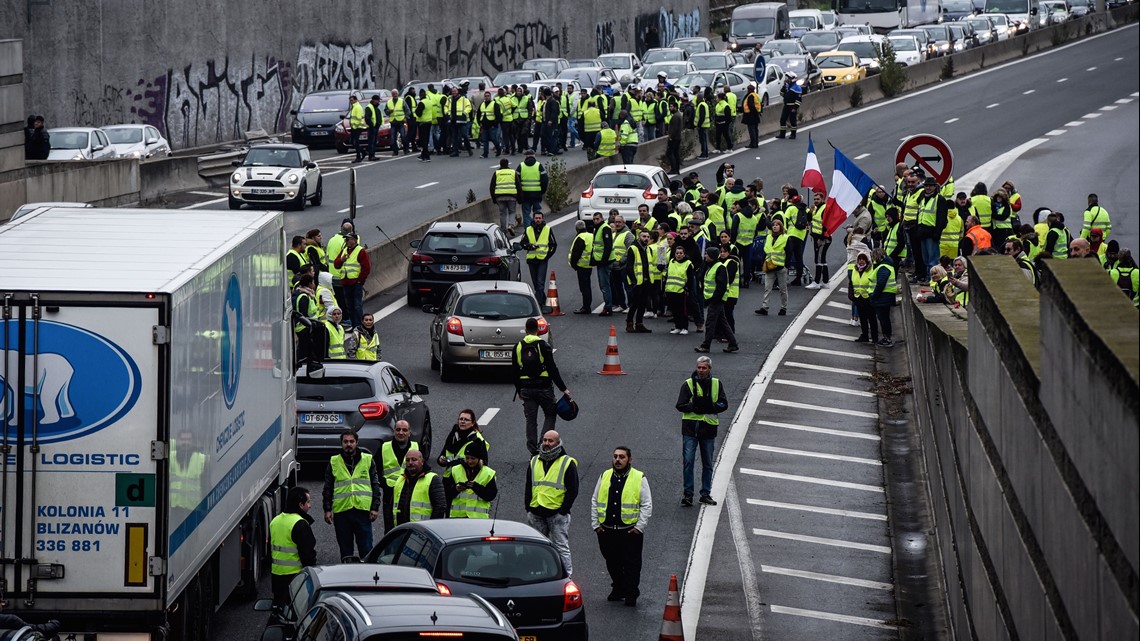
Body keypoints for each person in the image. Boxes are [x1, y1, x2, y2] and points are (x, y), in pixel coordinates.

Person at [591, 446, 653, 607]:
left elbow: (647, 504)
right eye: (615, 456)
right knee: (612, 563)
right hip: (607, 530)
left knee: (632, 564)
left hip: (629, 532)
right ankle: (618, 588)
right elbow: (595, 499)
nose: (618, 460)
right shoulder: (604, 475)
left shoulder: (639, 477)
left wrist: (639, 527)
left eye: (622, 457)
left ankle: (631, 593)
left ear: (629, 459)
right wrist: (596, 524)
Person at [525, 430, 579, 574]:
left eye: (550, 441)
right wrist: (528, 508)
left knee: (561, 548)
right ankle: (537, 576)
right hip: (536, 512)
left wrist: (563, 510)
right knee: (536, 548)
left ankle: (566, 578)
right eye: (545, 440)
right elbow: (529, 485)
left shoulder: (567, 462)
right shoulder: (534, 460)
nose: (547, 443)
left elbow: (573, 489)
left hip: (556, 514)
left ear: (558, 442)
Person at [676, 356, 728, 506]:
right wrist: (695, 407)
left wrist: (710, 407)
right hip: (690, 429)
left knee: (708, 463)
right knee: (688, 462)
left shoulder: (717, 383)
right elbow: (680, 405)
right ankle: (688, 494)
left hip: (708, 429)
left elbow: (724, 404)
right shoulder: (688, 384)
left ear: (709, 369)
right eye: (699, 367)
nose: (701, 370)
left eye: (704, 368)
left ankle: (705, 494)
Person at [322, 430, 382, 561]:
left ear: (356, 442)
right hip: (342, 512)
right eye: (345, 442)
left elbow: (375, 485)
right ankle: (348, 572)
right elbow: (328, 488)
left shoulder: (368, 460)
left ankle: (367, 573)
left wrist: (375, 507)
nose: (348, 444)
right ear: (341, 443)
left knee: (366, 550)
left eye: (351, 441)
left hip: (362, 511)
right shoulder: (334, 461)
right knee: (346, 551)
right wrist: (327, 509)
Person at [514, 318, 570, 456]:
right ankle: (543, 445)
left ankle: (532, 449)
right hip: (544, 387)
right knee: (550, 414)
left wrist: (519, 390)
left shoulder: (518, 346)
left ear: (525, 330)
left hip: (526, 388)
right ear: (537, 330)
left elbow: (514, 371)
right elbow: (552, 368)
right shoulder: (543, 345)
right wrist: (563, 388)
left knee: (531, 419)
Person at [270, 487, 317, 610]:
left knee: (279, 609)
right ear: (300, 505)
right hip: (296, 577)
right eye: (308, 502)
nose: (310, 506)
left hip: (277, 576)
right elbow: (308, 554)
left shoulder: (275, 521)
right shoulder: (300, 524)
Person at [380, 420, 422, 533]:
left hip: (409, 493)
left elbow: (423, 469)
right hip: (390, 494)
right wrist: (384, 484)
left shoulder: (416, 447)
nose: (401, 433)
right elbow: (377, 470)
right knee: (390, 530)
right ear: (393, 431)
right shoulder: (384, 447)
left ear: (409, 433)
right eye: (398, 430)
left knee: (408, 528)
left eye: (404, 430)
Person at [694, 247, 739, 353]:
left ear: (712, 256)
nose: (705, 256)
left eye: (707, 254)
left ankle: (706, 346)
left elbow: (721, 287)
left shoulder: (719, 267)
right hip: (713, 299)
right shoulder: (710, 266)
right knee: (723, 322)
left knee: (710, 323)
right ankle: (733, 344)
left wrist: (714, 299)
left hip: (716, 300)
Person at [392, 449, 448, 525]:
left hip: (422, 529)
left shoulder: (432, 479)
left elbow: (440, 507)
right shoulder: (400, 479)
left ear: (422, 461)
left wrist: (431, 526)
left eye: (414, 460)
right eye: (407, 460)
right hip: (401, 528)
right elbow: (391, 506)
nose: (410, 463)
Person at [446, 439, 498, 518]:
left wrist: (476, 487)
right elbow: (446, 492)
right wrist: (456, 489)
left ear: (479, 459)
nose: (469, 461)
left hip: (478, 519)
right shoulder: (455, 470)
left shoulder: (488, 473)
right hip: (458, 517)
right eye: (467, 458)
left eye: (473, 458)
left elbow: (491, 495)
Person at [436, 408, 490, 479]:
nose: (463, 421)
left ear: (473, 423)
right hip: (449, 478)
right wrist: (441, 460)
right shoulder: (453, 435)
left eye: (466, 420)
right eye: (461, 419)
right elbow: (443, 454)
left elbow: (483, 464)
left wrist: (456, 462)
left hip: (466, 479)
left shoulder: (477, 439)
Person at [332, 233, 369, 329]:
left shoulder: (361, 251)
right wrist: (342, 260)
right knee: (349, 306)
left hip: (355, 283)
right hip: (345, 283)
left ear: (355, 240)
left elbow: (366, 268)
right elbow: (336, 264)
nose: (347, 241)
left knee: (357, 305)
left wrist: (360, 281)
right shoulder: (344, 250)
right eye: (346, 240)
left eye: (349, 239)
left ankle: (359, 325)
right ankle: (354, 325)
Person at [756, 218, 789, 316]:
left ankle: (784, 307)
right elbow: (765, 250)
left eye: (777, 225)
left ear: (781, 227)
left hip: (780, 267)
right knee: (767, 288)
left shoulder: (785, 238)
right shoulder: (769, 237)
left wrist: (786, 266)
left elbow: (789, 252)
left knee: (783, 289)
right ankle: (764, 307)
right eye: (773, 225)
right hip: (769, 266)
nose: (774, 226)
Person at [625, 229, 654, 333]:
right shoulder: (633, 248)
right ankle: (629, 323)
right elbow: (629, 267)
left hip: (646, 281)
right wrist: (633, 281)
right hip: (637, 282)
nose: (646, 239)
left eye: (647, 237)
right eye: (644, 236)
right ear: (639, 237)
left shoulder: (648, 249)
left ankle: (639, 324)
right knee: (634, 304)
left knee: (643, 304)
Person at [523, 211, 557, 295]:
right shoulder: (528, 229)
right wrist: (530, 246)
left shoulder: (547, 229)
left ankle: (539, 302)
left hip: (542, 260)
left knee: (540, 283)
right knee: (535, 284)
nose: (538, 220)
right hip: (531, 260)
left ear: (542, 219)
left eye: (539, 218)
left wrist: (547, 256)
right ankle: (542, 298)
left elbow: (553, 245)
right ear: (533, 219)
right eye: (536, 218)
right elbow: (522, 243)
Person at [849, 250, 879, 343]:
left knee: (872, 318)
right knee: (862, 318)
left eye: (863, 259)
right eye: (860, 259)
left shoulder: (872, 269)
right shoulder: (855, 269)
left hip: (868, 298)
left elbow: (875, 283)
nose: (861, 261)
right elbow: (851, 283)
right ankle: (864, 336)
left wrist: (872, 296)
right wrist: (852, 296)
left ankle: (874, 338)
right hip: (858, 297)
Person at [870, 248, 898, 346]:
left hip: (883, 296)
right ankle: (886, 337)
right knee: (884, 318)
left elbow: (881, 284)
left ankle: (887, 338)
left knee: (883, 318)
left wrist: (874, 296)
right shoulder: (886, 265)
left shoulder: (883, 267)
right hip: (885, 296)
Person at [591, 211, 616, 315]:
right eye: (594, 219)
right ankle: (610, 305)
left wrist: (603, 261)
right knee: (606, 285)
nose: (596, 221)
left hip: (605, 262)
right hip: (600, 261)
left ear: (601, 218)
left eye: (597, 219)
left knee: (604, 285)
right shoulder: (597, 228)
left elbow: (608, 246)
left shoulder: (605, 228)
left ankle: (608, 307)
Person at [568, 220, 594, 313]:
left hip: (582, 266)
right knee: (587, 287)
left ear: (576, 229)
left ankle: (586, 307)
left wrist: (574, 265)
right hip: (589, 265)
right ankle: (587, 306)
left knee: (584, 288)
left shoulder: (580, 238)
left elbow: (576, 254)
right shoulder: (591, 236)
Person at [517, 149, 548, 229]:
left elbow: (516, 181)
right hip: (537, 194)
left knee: (526, 213)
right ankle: (538, 228)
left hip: (525, 195)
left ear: (525, 156)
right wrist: (542, 191)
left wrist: (519, 193)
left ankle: (528, 230)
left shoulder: (521, 166)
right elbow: (545, 179)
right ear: (534, 155)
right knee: (537, 212)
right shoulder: (538, 165)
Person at [490, 158, 521, 236]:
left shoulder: (497, 173)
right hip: (511, 196)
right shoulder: (513, 172)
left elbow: (492, 187)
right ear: (507, 164)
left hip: (499, 196)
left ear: (500, 164)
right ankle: (510, 225)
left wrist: (494, 198)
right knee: (512, 211)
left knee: (502, 213)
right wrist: (520, 197)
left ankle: (503, 229)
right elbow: (518, 185)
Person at [776, 72, 802, 140]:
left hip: (792, 106)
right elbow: (781, 94)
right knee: (782, 120)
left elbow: (799, 100)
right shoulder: (787, 86)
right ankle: (782, 134)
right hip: (786, 106)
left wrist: (795, 108)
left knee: (793, 121)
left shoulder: (797, 88)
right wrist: (784, 86)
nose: (788, 80)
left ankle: (793, 134)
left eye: (789, 78)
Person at [385, 88, 409, 155]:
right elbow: (386, 111)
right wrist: (389, 111)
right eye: (393, 94)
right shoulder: (389, 102)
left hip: (400, 121)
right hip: (393, 122)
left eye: (396, 93)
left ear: (398, 94)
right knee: (393, 138)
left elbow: (407, 110)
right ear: (392, 95)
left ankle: (406, 149)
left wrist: (406, 117)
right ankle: (395, 151)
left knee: (403, 136)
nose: (395, 95)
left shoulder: (402, 101)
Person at [347, 94, 367, 163]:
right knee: (353, 142)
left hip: (357, 127)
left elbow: (358, 118)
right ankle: (363, 152)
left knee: (355, 142)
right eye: (350, 100)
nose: (351, 102)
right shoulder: (354, 107)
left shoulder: (357, 107)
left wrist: (355, 126)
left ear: (355, 100)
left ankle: (358, 156)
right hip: (354, 127)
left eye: (352, 100)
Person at [666, 102, 683, 174]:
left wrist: (671, 137)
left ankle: (674, 169)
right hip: (678, 137)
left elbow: (674, 128)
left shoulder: (675, 116)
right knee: (676, 153)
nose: (670, 108)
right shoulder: (678, 115)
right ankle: (677, 168)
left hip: (674, 138)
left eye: (671, 107)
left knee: (670, 153)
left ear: (675, 107)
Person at [364, 94, 383, 161]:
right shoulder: (369, 107)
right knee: (371, 142)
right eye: (378, 100)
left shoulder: (376, 108)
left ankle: (373, 155)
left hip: (375, 127)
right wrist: (371, 125)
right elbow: (367, 118)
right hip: (372, 128)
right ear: (374, 100)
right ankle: (371, 156)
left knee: (374, 142)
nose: (379, 102)